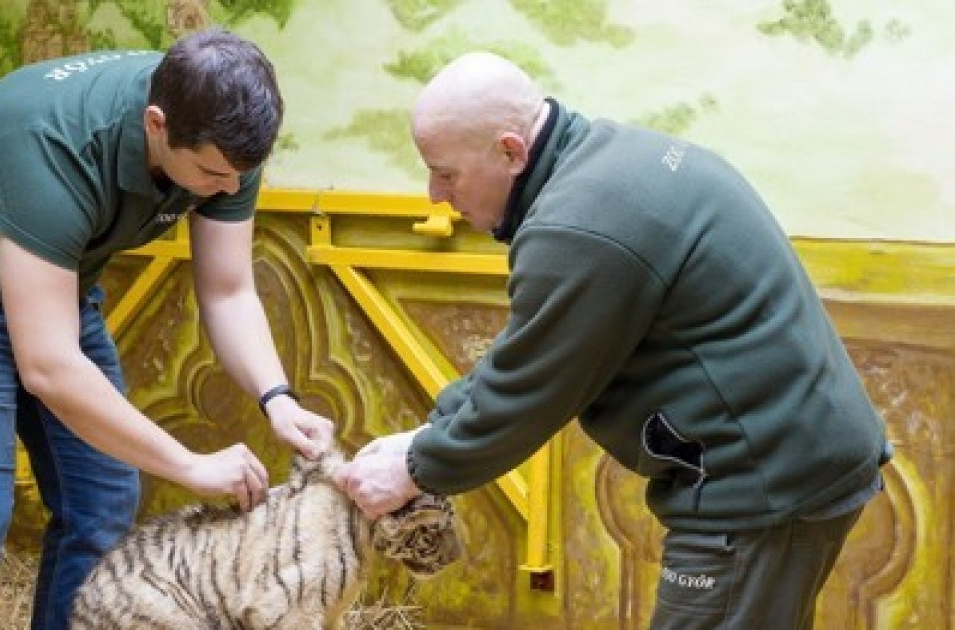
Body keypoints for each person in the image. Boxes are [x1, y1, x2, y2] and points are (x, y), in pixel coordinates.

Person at [334, 51, 891, 629]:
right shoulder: (611, 159)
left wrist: (416, 467)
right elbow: (536, 344)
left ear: (510, 150)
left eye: (445, 172)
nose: (435, 194)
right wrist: (433, 429)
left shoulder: (576, 227)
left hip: (758, 488)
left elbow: (530, 394)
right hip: (793, 456)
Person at [0, 29, 333, 630]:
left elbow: (228, 289)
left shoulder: (225, 144)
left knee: (102, 499)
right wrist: (187, 465)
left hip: (55, 282)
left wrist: (276, 397)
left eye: (239, 176)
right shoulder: (55, 144)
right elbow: (47, 366)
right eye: (210, 173)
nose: (227, 189)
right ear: (156, 123)